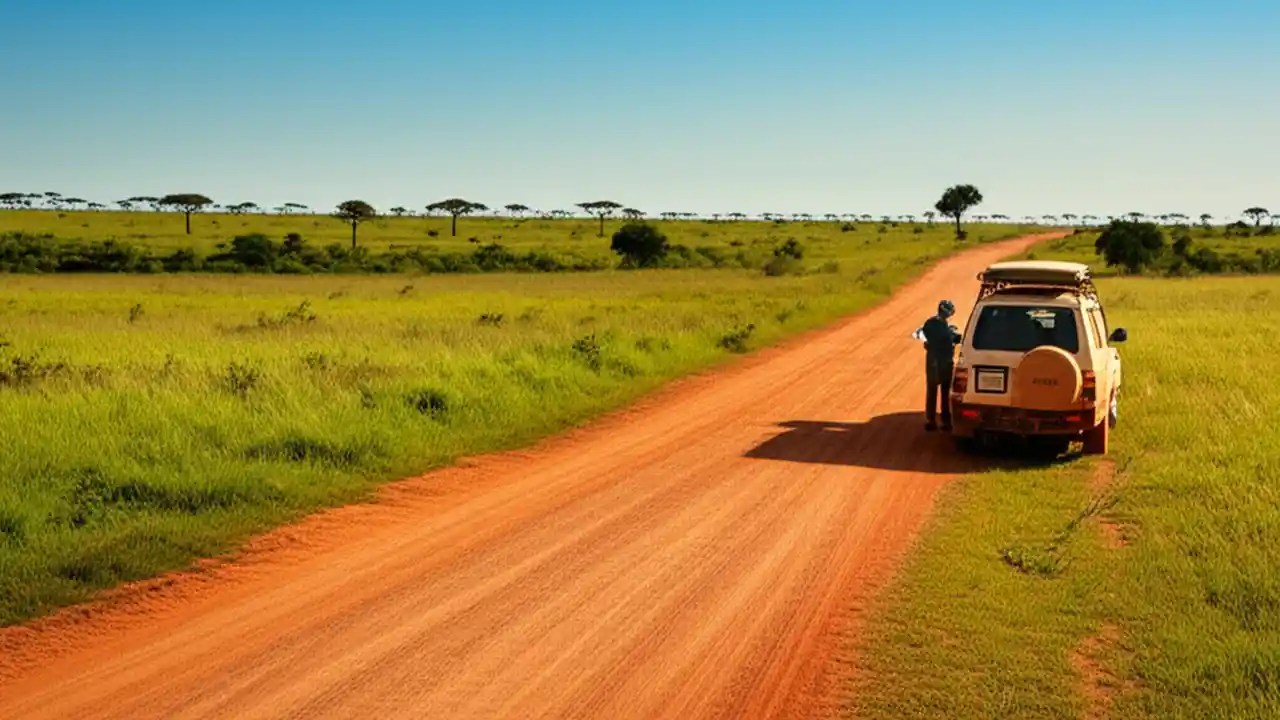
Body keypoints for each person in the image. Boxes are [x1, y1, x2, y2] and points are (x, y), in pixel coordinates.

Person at [914, 300, 962, 431]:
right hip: (939, 361)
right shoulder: (936, 324)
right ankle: (939, 421)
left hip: (939, 361)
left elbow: (920, 335)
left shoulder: (937, 324)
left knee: (935, 391)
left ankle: (934, 420)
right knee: (940, 391)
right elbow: (921, 335)